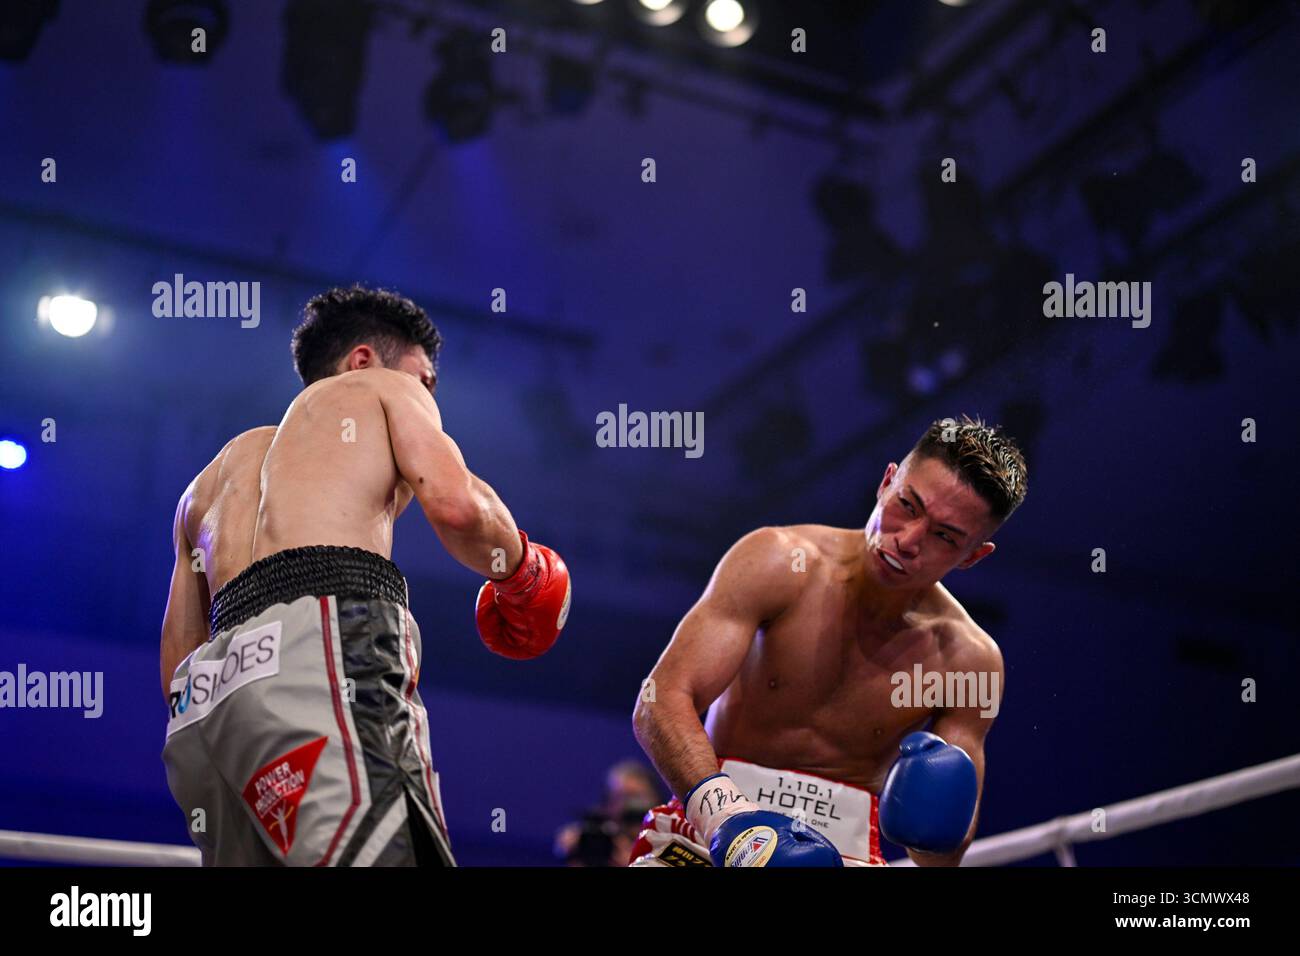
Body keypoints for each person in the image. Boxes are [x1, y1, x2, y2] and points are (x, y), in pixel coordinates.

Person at [160, 286, 571, 866]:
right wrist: (523, 569)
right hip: (322, 644)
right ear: (361, 361)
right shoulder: (383, 387)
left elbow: (177, 657)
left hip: (204, 710)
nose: (429, 395)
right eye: (425, 378)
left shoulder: (208, 481)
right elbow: (457, 507)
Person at [630, 416, 1026, 867]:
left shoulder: (968, 660)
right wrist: (731, 821)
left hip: (848, 855)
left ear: (973, 556)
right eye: (908, 505)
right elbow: (658, 702)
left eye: (944, 536)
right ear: (886, 482)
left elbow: (938, 859)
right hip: (711, 829)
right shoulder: (779, 562)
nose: (908, 540)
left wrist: (937, 823)